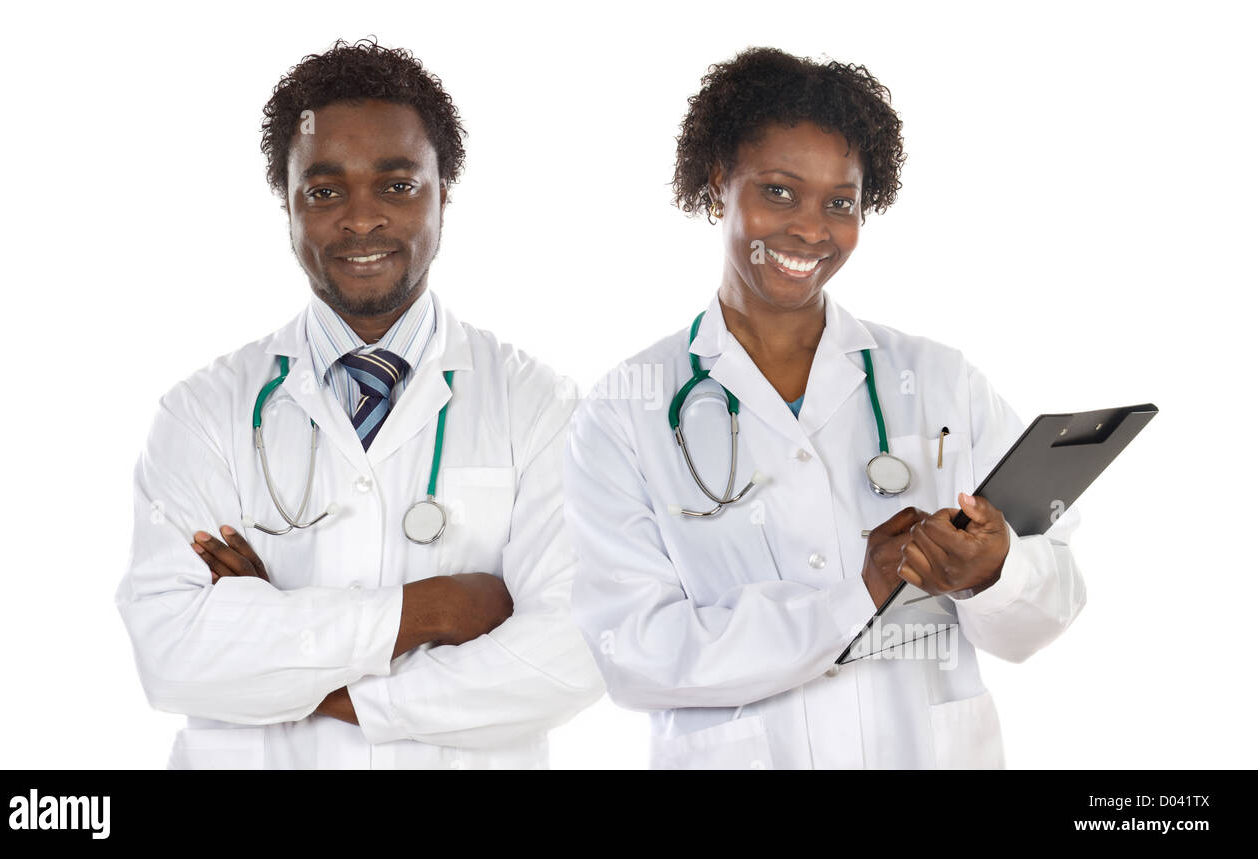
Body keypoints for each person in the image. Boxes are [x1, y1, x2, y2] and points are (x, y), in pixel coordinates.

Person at [563, 47, 1086, 769]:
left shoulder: (939, 378)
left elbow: (1050, 604)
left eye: (840, 202)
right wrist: (855, 596)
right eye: (779, 192)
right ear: (719, 183)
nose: (812, 229)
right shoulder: (624, 414)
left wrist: (994, 569)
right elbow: (638, 656)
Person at [115, 38, 602, 769]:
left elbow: (570, 655)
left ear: (445, 193)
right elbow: (173, 654)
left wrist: (297, 664)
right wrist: (428, 610)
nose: (361, 218)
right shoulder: (201, 414)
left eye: (398, 185)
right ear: (287, 204)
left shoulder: (542, 407)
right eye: (324, 189)